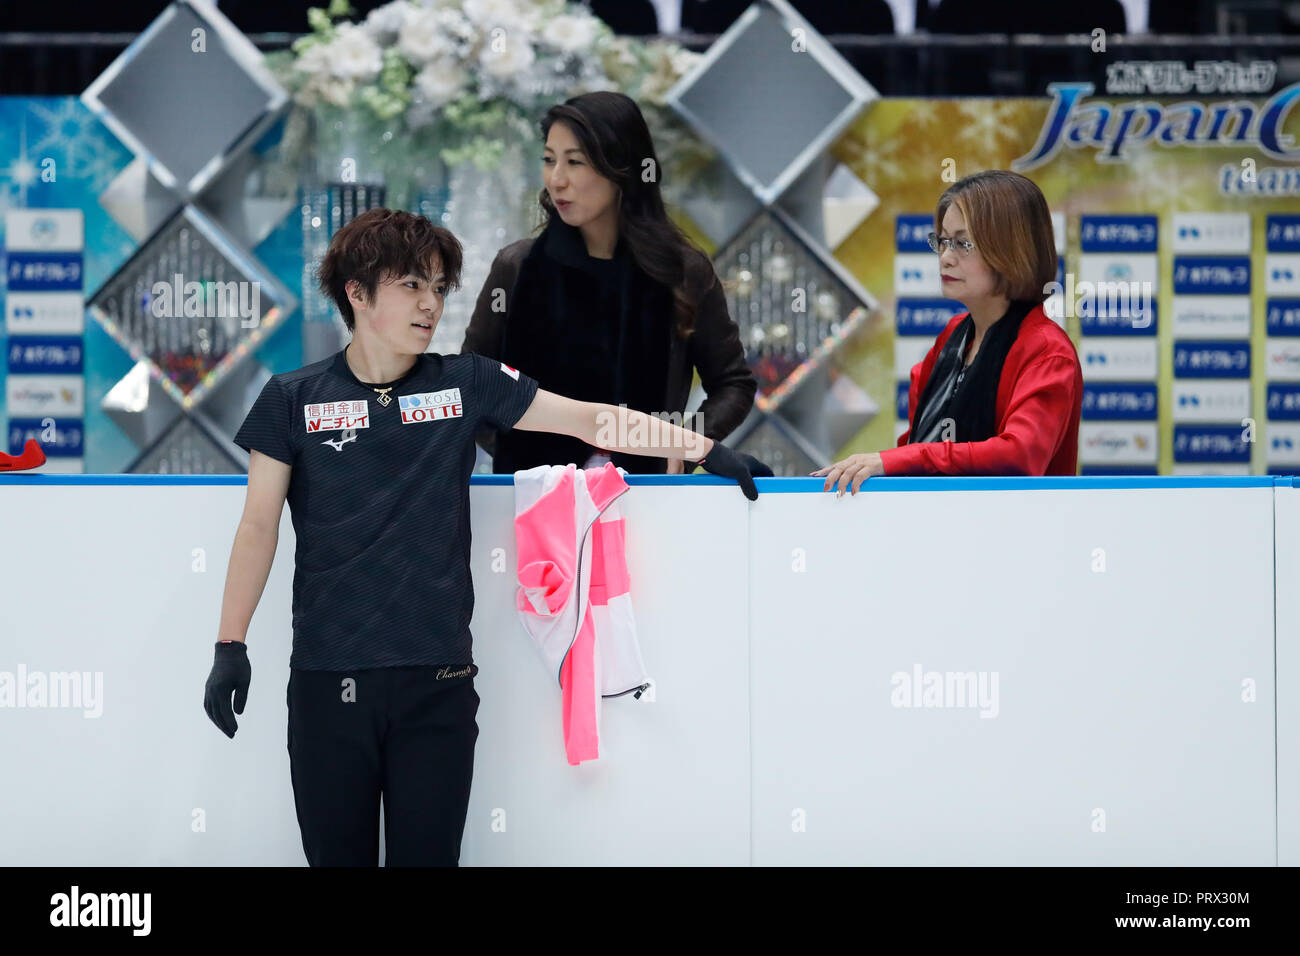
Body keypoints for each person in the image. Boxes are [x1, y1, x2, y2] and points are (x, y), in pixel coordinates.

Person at [203, 208, 765, 867]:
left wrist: (700, 448)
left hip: (436, 685)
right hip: (329, 687)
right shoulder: (293, 398)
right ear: (356, 293)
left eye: (440, 287)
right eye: (411, 284)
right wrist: (230, 645)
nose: (431, 304)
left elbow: (592, 421)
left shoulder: (465, 382)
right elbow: (258, 526)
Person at [461, 90, 757, 475]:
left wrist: (685, 449)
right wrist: (514, 450)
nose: (557, 180)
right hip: (536, 496)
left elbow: (733, 382)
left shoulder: (681, 269)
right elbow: (473, 382)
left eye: (575, 162)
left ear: (621, 169)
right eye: (549, 161)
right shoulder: (517, 266)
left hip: (646, 495)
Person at [815, 170, 1083, 496]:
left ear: (1013, 249)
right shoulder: (953, 335)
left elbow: (1019, 456)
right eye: (942, 242)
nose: (945, 258)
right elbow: (917, 444)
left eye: (962, 244)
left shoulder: (1046, 350)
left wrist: (896, 460)